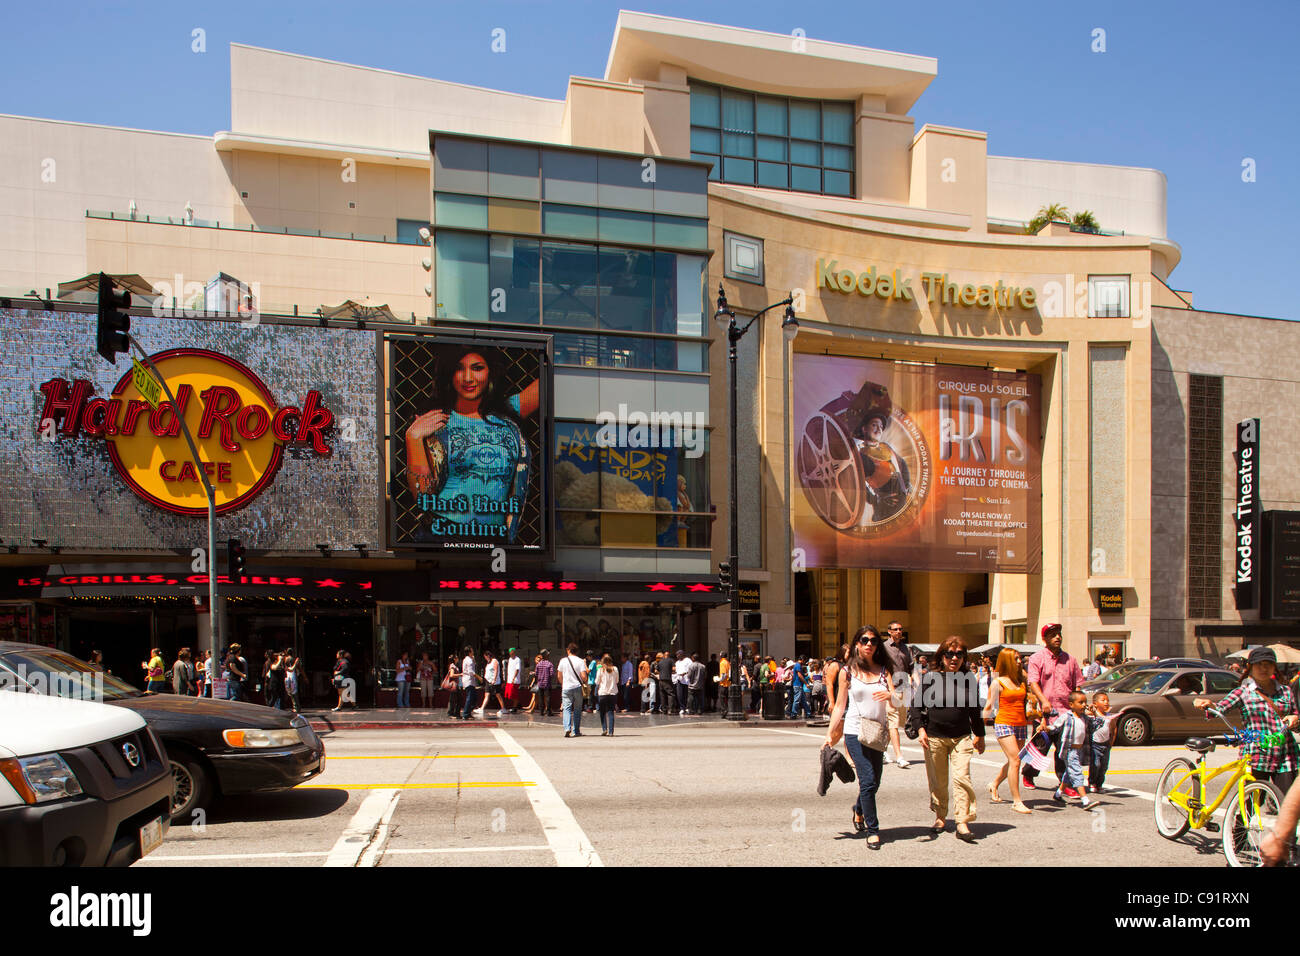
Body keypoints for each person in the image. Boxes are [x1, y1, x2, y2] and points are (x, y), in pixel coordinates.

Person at [403, 346, 539, 544]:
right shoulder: (435, 420)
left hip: (495, 536)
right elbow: (423, 495)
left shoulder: (508, 412)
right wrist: (413, 438)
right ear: (449, 374)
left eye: (477, 368)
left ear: (490, 372)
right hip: (442, 534)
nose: (468, 378)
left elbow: (551, 379)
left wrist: (567, 349)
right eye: (459, 369)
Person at [823, 625, 896, 847]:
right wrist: (829, 735)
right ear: (857, 643)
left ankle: (858, 809)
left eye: (873, 641)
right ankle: (872, 830)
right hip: (855, 732)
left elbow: (900, 701)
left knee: (875, 783)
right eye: (864, 640)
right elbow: (840, 707)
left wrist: (892, 695)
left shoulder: (884, 670)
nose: (869, 644)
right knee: (868, 779)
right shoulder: (847, 671)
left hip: (877, 732)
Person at [908, 636, 986, 841]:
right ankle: (940, 816)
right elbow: (915, 707)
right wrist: (921, 731)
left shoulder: (968, 679)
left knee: (962, 778)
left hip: (961, 737)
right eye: (950, 654)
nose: (954, 658)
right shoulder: (930, 678)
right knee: (939, 782)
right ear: (942, 656)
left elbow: (974, 710)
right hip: (934, 737)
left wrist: (980, 735)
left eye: (959, 654)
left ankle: (962, 821)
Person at [1193, 646, 1300, 795]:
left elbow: (1296, 719)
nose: (1264, 668)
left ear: (1274, 667)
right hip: (1256, 754)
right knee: (1249, 805)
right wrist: (1208, 705)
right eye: (1259, 664)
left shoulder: (1285, 692)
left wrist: (1296, 720)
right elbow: (1220, 708)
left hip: (1285, 755)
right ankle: (1240, 819)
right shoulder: (1243, 692)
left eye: (1268, 664)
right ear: (1250, 667)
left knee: (1288, 802)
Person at [1023, 623, 1083, 795]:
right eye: (1052, 635)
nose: (1057, 637)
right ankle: (1028, 774)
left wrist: (1078, 707)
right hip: (1045, 714)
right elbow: (1033, 683)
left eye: (1059, 634)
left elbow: (1077, 686)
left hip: (1065, 713)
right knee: (1040, 748)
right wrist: (1044, 702)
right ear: (1045, 639)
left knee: (1065, 750)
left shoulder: (1070, 660)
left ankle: (1066, 784)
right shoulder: (1037, 658)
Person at [983, 647, 1034, 814]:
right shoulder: (998, 682)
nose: (1020, 661)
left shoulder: (1021, 678)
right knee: (1016, 761)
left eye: (1020, 658)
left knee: (1015, 760)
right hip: (1004, 722)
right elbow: (989, 705)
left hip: (1021, 724)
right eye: (1016, 659)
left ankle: (994, 784)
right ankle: (1017, 801)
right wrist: (979, 731)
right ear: (1007, 661)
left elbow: (1030, 698)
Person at [1049, 691, 1095, 809]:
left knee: (1069, 774)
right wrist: (1045, 728)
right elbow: (1055, 727)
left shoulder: (1085, 718)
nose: (1084, 705)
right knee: (1076, 772)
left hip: (1079, 750)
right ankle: (1085, 800)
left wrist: (1094, 713)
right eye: (1080, 702)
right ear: (1071, 704)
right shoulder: (1067, 716)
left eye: (1085, 702)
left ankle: (1058, 794)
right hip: (1069, 750)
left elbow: (1097, 725)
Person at [882, 622, 913, 768]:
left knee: (897, 723)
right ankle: (899, 757)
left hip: (904, 689)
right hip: (890, 690)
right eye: (896, 630)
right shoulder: (884, 648)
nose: (899, 631)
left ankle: (881, 750)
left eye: (901, 629)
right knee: (893, 723)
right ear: (889, 632)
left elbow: (912, 668)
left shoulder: (906, 648)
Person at [1085, 691, 1116, 793]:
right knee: (1095, 764)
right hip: (1095, 744)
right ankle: (1092, 782)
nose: (1106, 702)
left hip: (1105, 744)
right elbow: (1084, 713)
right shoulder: (1092, 715)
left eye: (1107, 700)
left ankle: (1099, 784)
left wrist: (1111, 742)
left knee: (1103, 766)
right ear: (1095, 704)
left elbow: (1113, 729)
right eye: (1103, 700)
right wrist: (1091, 710)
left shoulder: (1109, 716)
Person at [558, 643, 587, 738]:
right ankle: (576, 730)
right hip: (577, 687)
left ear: (568, 650)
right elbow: (584, 677)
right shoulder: (580, 661)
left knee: (567, 708)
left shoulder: (563, 661)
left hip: (566, 688)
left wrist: (563, 684)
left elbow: (559, 676)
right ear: (576, 651)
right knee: (577, 710)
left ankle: (567, 728)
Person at [596, 654, 619, 736]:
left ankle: (604, 729)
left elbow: (597, 682)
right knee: (610, 712)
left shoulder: (600, 670)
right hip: (612, 693)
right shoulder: (615, 669)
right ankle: (611, 732)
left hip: (602, 693)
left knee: (602, 712)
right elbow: (617, 681)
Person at [477, 650, 504, 716]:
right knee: (487, 694)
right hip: (488, 681)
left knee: (498, 695)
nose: (485, 658)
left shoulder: (494, 661)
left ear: (488, 655)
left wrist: (494, 679)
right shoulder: (488, 662)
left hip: (494, 682)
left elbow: (496, 670)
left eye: (485, 657)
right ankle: (482, 708)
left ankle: (503, 708)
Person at [459, 646, 479, 720]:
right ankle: (466, 714)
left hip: (469, 681)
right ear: (470, 652)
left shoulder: (468, 659)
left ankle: (468, 712)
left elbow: (473, 666)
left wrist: (473, 660)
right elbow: (471, 672)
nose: (473, 652)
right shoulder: (469, 660)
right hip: (469, 681)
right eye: (472, 650)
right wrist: (479, 677)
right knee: (470, 698)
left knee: (473, 698)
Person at [534, 649, 555, 716]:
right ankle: (548, 711)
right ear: (546, 655)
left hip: (540, 684)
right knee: (548, 697)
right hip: (547, 684)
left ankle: (541, 711)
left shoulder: (538, 664)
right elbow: (551, 674)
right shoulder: (550, 664)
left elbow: (536, 674)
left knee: (541, 698)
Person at [504, 648, 523, 715]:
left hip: (515, 680)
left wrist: (514, 678)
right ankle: (517, 704)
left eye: (512, 652)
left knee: (514, 694)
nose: (511, 653)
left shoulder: (517, 659)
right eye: (510, 652)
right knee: (509, 694)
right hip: (509, 680)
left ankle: (515, 707)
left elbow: (517, 669)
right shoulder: (509, 659)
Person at [445, 654, 463, 718]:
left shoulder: (454, 666)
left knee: (458, 699)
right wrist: (460, 674)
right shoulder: (452, 666)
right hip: (454, 685)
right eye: (457, 658)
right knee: (453, 699)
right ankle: (451, 713)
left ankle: (456, 713)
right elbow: (451, 675)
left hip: (457, 684)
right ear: (455, 659)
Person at [674, 650, 691, 716]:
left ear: (681, 654)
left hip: (686, 680)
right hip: (679, 680)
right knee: (679, 695)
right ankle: (682, 708)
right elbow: (676, 670)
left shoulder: (688, 660)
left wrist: (686, 673)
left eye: (678, 654)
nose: (677, 656)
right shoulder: (677, 662)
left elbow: (691, 669)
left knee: (686, 695)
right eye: (676, 655)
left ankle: (687, 707)